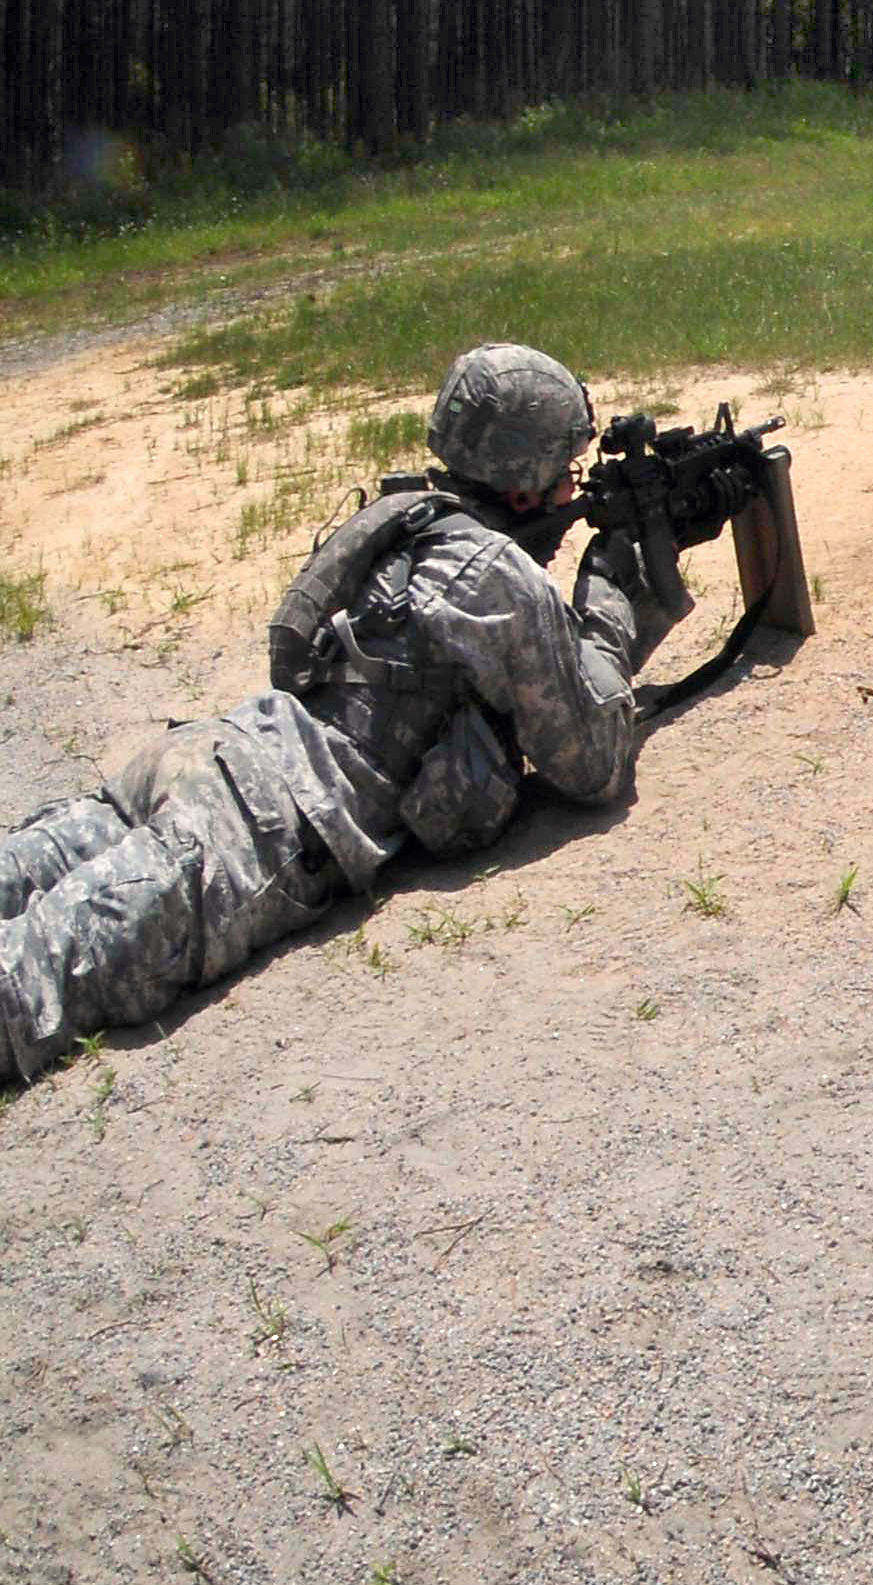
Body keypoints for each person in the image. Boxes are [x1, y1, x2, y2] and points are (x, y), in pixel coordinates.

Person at [1, 344, 690, 1082]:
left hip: (210, 754)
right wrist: (612, 598)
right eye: (565, 476)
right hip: (251, 836)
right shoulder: (490, 572)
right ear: (523, 489)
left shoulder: (407, 517)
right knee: (21, 993)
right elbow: (592, 762)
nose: (571, 491)